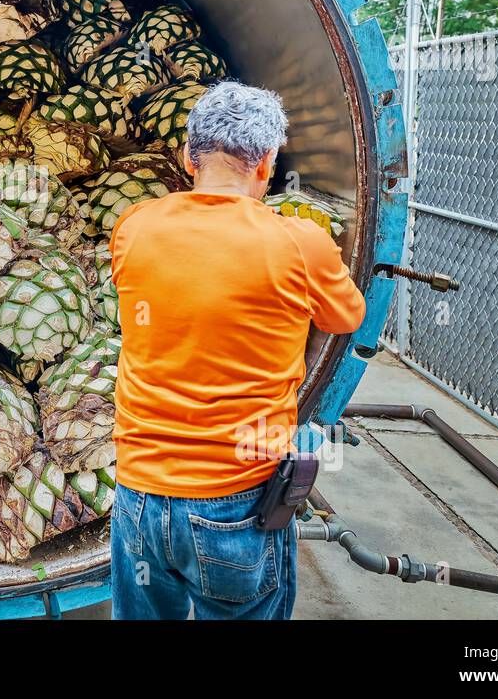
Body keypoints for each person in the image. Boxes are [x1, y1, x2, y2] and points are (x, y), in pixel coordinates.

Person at [108, 81, 365, 620]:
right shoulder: (300, 241)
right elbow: (347, 318)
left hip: (137, 496)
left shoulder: (133, 228)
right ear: (267, 164)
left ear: (186, 157)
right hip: (235, 501)